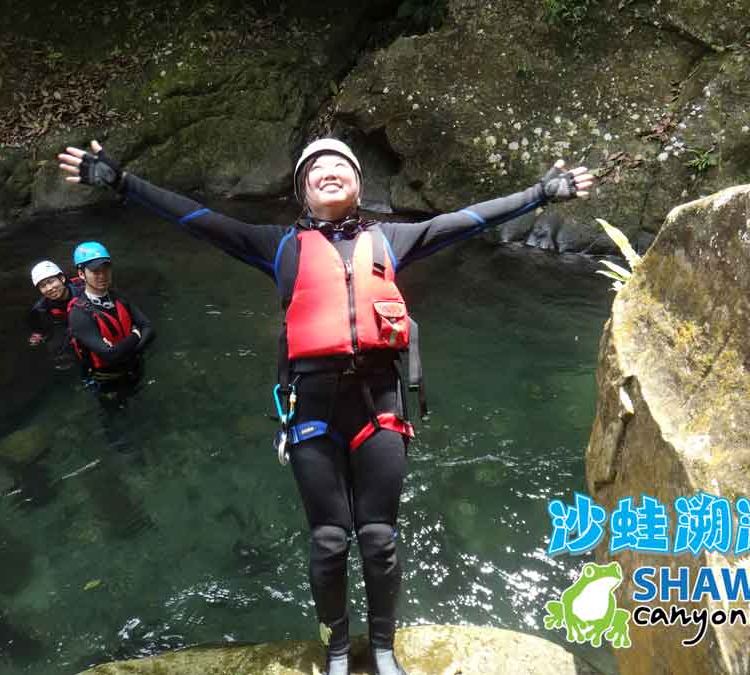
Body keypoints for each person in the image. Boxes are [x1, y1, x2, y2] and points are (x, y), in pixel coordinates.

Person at [58, 137, 593, 675]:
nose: (331, 172)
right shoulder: (278, 245)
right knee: (329, 539)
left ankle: (382, 651)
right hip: (312, 412)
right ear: (302, 189)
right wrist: (121, 181)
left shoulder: (392, 240)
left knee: (380, 537)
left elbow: (469, 219)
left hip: (381, 408)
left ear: (359, 185)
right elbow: (195, 218)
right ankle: (337, 652)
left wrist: (543, 193)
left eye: (342, 166)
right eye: (318, 169)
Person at [68, 241, 154, 413]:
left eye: (106, 269)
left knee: (143, 409)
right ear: (81, 274)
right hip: (107, 382)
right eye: (95, 271)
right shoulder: (79, 314)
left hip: (134, 369)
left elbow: (150, 328)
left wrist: (126, 349)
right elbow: (110, 355)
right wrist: (136, 335)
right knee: (115, 421)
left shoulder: (119, 297)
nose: (102, 275)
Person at [28, 259, 84, 371]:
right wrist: (38, 334)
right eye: (43, 286)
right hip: (63, 324)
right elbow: (36, 325)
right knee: (56, 348)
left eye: (51, 282)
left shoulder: (83, 291)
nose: (49, 288)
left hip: (84, 321)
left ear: (62, 279)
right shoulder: (41, 308)